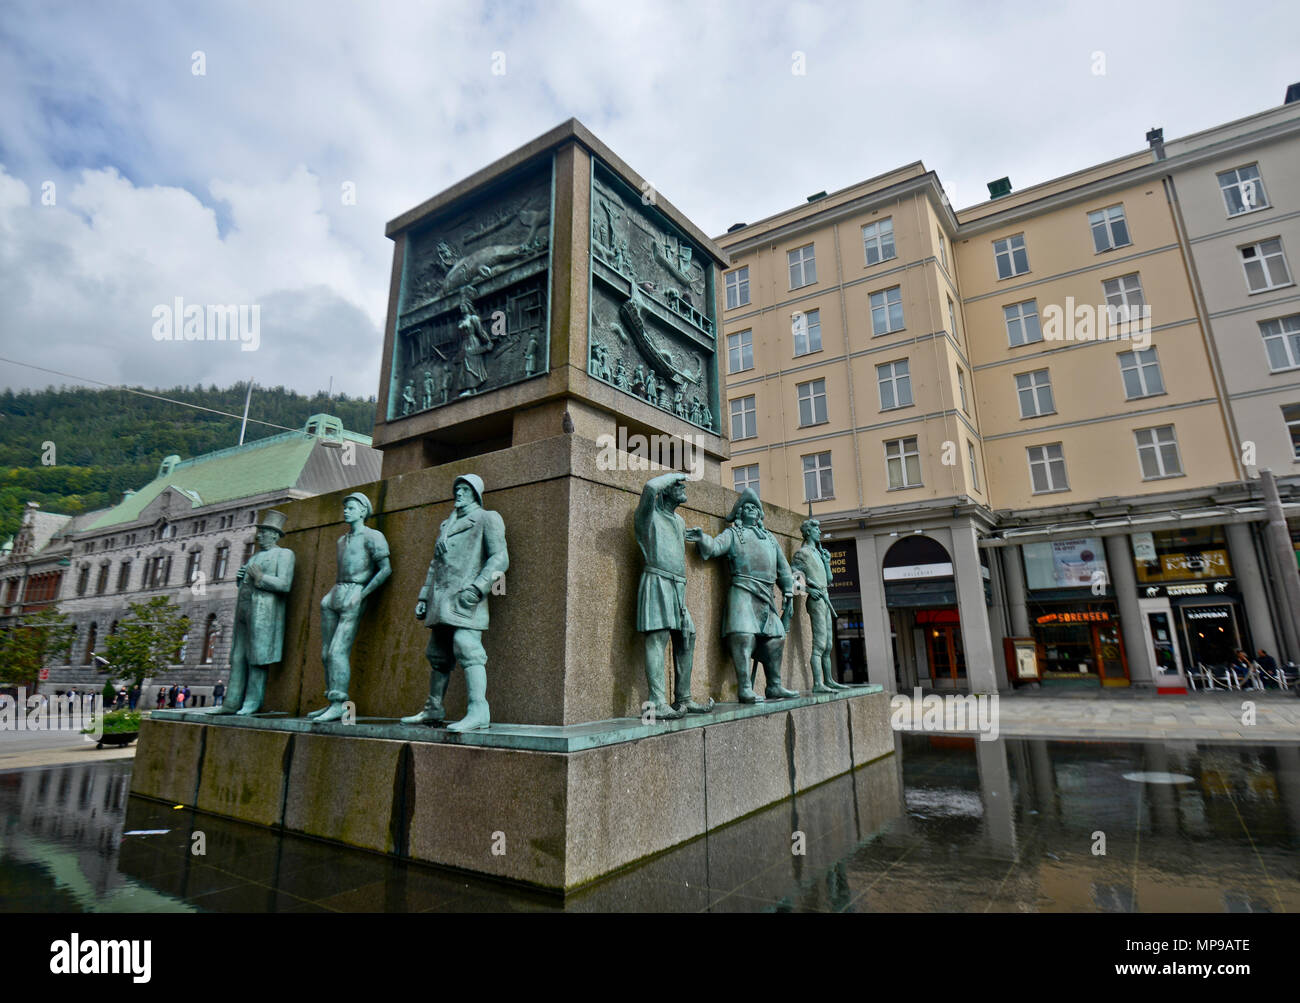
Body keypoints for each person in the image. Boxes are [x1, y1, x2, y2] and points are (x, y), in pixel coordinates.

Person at [402, 474, 508, 733]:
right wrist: (424, 597)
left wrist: (478, 588)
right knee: (437, 655)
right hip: (440, 598)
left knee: (467, 646)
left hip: (466, 595)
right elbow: (434, 565)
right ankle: (433, 708)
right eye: (457, 489)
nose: (458, 494)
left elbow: (500, 558)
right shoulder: (445, 526)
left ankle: (479, 710)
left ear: (475, 494)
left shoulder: (486, 518)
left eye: (464, 489)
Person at [688, 489, 797, 703]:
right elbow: (715, 547)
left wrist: (788, 592)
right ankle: (745, 688)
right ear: (739, 513)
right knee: (743, 636)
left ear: (759, 514)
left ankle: (774, 685)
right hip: (743, 590)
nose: (751, 510)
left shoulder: (770, 539)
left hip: (766, 595)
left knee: (776, 638)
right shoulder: (733, 534)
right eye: (746, 507)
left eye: (754, 508)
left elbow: (783, 569)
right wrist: (702, 539)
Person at [633, 472, 714, 720]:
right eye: (678, 485)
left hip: (677, 586)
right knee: (657, 638)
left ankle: (684, 698)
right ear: (666, 489)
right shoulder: (648, 516)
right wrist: (671, 475)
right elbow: (648, 487)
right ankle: (656, 702)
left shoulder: (678, 521)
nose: (682, 488)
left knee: (687, 634)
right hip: (656, 581)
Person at [309, 493, 391, 723]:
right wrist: (328, 597)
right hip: (335, 592)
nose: (346, 511)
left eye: (351, 508)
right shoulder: (341, 540)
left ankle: (341, 704)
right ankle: (330, 701)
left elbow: (385, 569)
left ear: (363, 511)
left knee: (337, 651)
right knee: (326, 654)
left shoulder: (373, 536)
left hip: (355, 592)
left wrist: (362, 594)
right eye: (345, 507)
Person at [210, 511, 295, 717]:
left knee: (257, 658)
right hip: (245, 609)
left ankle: (252, 701)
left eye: (264, 533)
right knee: (238, 656)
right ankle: (231, 702)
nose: (260, 537)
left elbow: (284, 584)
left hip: (265, 611)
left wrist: (260, 578)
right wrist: (241, 579)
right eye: (260, 532)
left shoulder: (284, 555)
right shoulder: (255, 556)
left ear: (275, 535)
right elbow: (247, 582)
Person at [791, 517, 846, 694]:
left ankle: (828, 680)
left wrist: (827, 562)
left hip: (826, 597)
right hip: (816, 599)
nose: (820, 532)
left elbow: (829, 579)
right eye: (816, 529)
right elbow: (791, 581)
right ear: (808, 532)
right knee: (820, 644)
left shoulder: (818, 553)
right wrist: (807, 589)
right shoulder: (802, 554)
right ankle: (818, 683)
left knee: (829, 644)